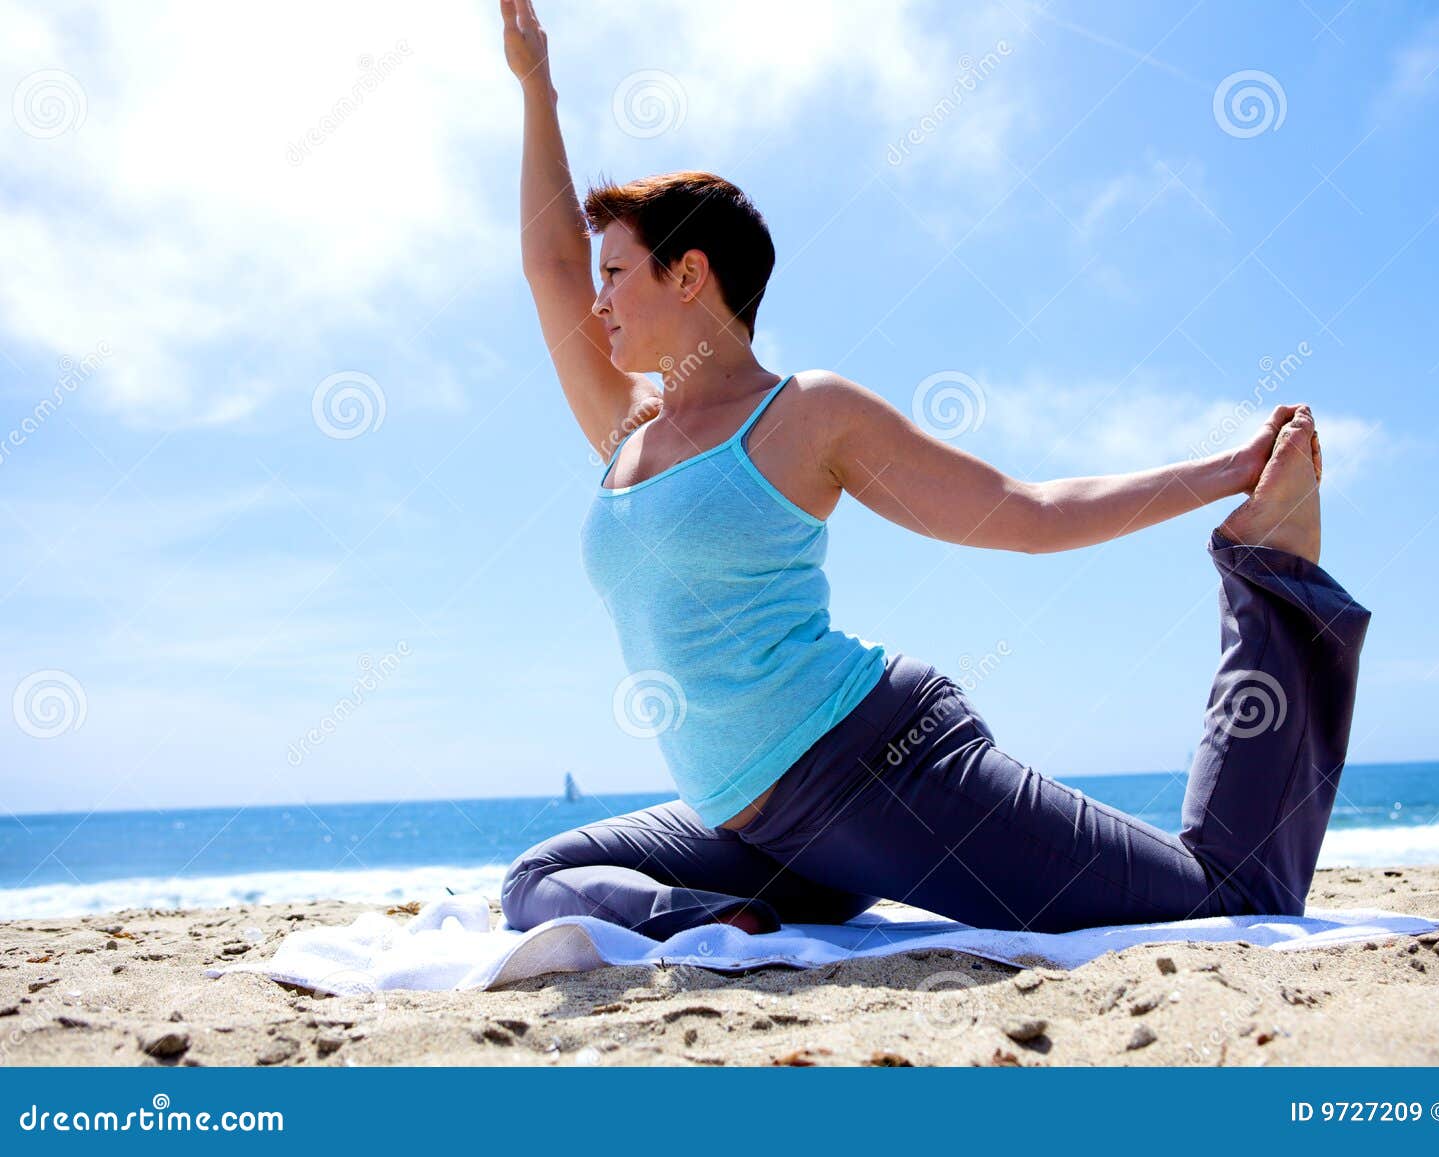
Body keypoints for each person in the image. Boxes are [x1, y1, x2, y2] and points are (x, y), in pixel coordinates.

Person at [496, 0, 1372, 938]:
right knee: (539, 878)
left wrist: (1228, 471)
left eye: (617, 274)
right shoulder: (628, 431)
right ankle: (730, 919)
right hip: (755, 827)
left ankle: (1272, 573)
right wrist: (536, 84)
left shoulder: (803, 415)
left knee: (1225, 902)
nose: (597, 301)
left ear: (689, 274)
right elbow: (546, 265)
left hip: (880, 768)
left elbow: (1022, 510)